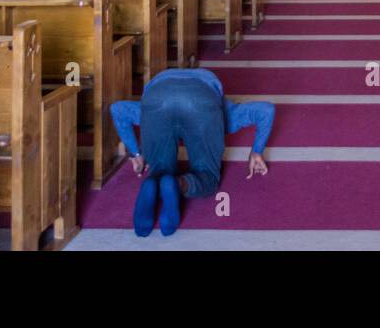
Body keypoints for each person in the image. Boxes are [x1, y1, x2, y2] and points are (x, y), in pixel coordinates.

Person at [110, 69, 274, 237]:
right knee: (208, 176)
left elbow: (117, 109)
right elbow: (266, 110)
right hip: (202, 100)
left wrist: (136, 154)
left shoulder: (159, 89)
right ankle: (179, 183)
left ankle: (154, 181)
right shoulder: (226, 110)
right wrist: (256, 152)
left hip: (156, 97)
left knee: (159, 168)